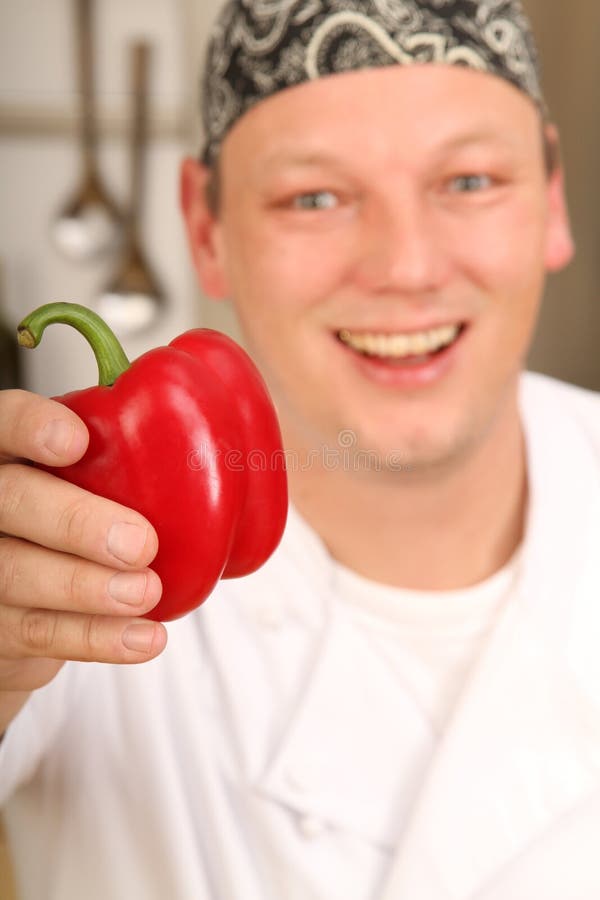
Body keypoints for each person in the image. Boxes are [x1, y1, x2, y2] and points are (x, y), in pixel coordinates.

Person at [1, 1, 600, 897]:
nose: (406, 267)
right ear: (206, 231)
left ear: (551, 199)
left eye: (470, 180)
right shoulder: (67, 566)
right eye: (313, 197)